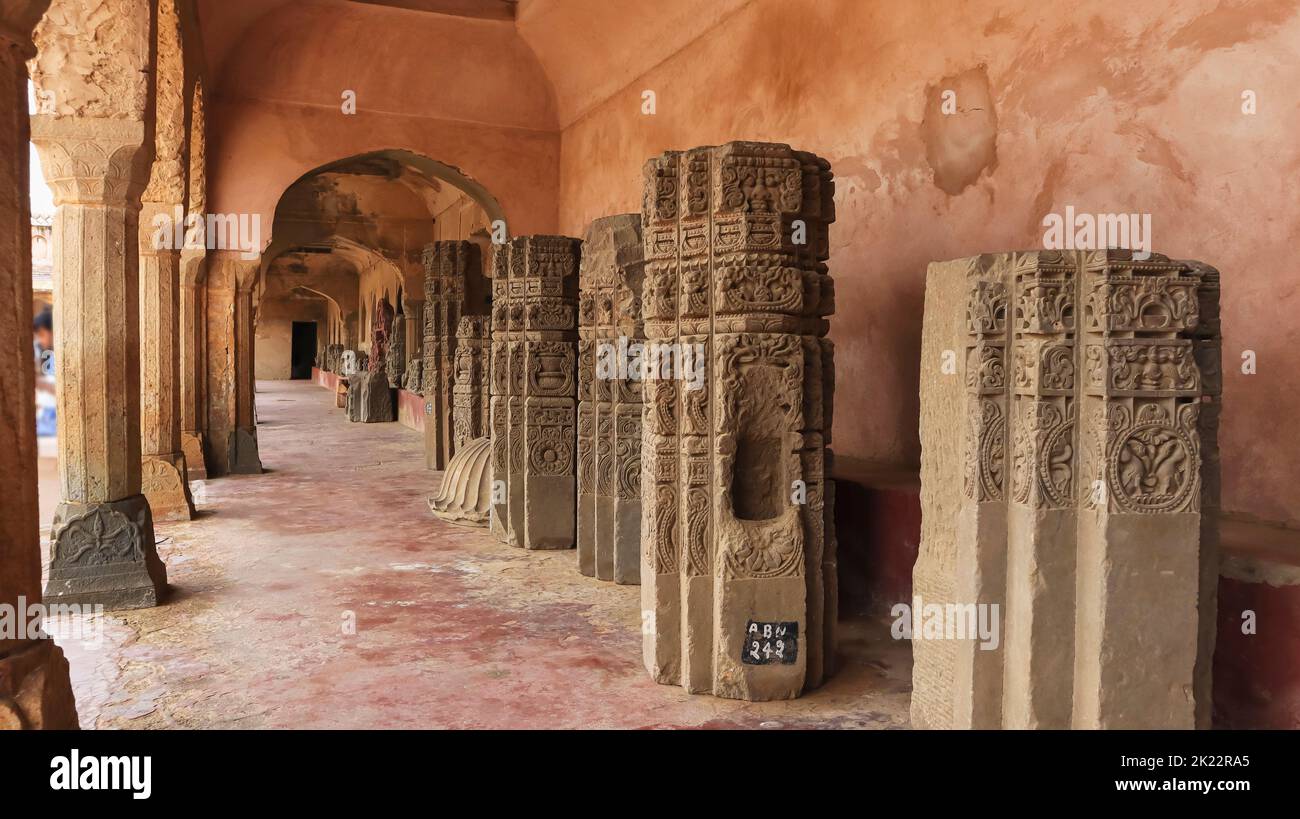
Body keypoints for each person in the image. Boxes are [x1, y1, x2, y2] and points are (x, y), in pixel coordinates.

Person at [33, 307, 56, 436]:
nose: (40, 340)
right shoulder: (46, 354)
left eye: (42, 334)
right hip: (46, 414)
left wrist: (42, 385)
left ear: (52, 331)